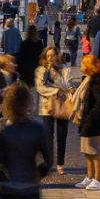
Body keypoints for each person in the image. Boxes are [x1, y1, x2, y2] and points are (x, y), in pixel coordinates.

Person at [75, 55, 100, 191]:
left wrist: (90, 117)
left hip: (94, 122)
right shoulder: (87, 79)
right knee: (87, 151)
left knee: (95, 151)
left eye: (82, 63)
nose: (80, 66)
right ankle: (90, 177)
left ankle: (98, 179)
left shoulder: (96, 80)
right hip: (85, 120)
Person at [34, 47, 72, 175]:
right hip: (46, 107)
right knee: (48, 136)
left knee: (62, 135)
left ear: (57, 56)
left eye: (53, 55)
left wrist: (57, 77)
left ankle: (60, 164)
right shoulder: (40, 70)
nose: (50, 58)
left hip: (62, 105)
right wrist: (56, 91)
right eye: (48, 56)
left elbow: (67, 86)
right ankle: (48, 162)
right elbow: (40, 88)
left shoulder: (65, 70)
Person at [16, 26, 44, 107]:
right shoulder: (39, 44)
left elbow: (20, 58)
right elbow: (42, 57)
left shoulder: (24, 43)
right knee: (35, 91)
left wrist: (19, 70)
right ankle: (34, 107)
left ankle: (27, 107)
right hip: (36, 70)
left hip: (25, 71)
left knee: (26, 91)